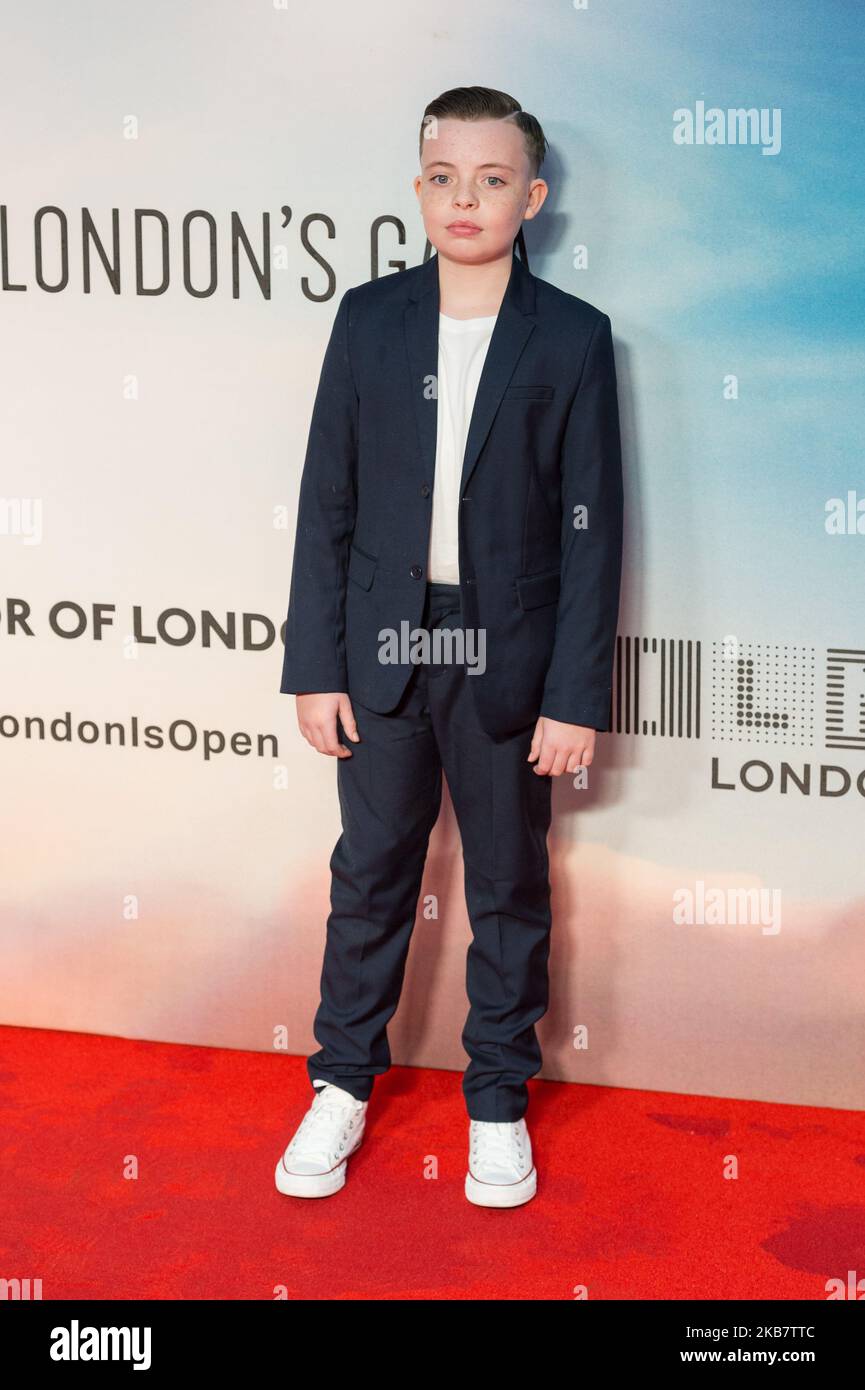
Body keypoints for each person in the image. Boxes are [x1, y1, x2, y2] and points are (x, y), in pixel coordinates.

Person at [274, 86, 624, 1207]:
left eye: (488, 179)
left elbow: (593, 527)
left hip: (507, 656)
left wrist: (574, 695)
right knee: (369, 873)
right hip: (380, 642)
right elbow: (325, 499)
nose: (462, 199)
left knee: (511, 882)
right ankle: (340, 1083)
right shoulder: (368, 320)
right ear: (417, 189)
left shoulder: (570, 337)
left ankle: (497, 1103)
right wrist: (315, 664)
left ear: (533, 195)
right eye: (441, 177)